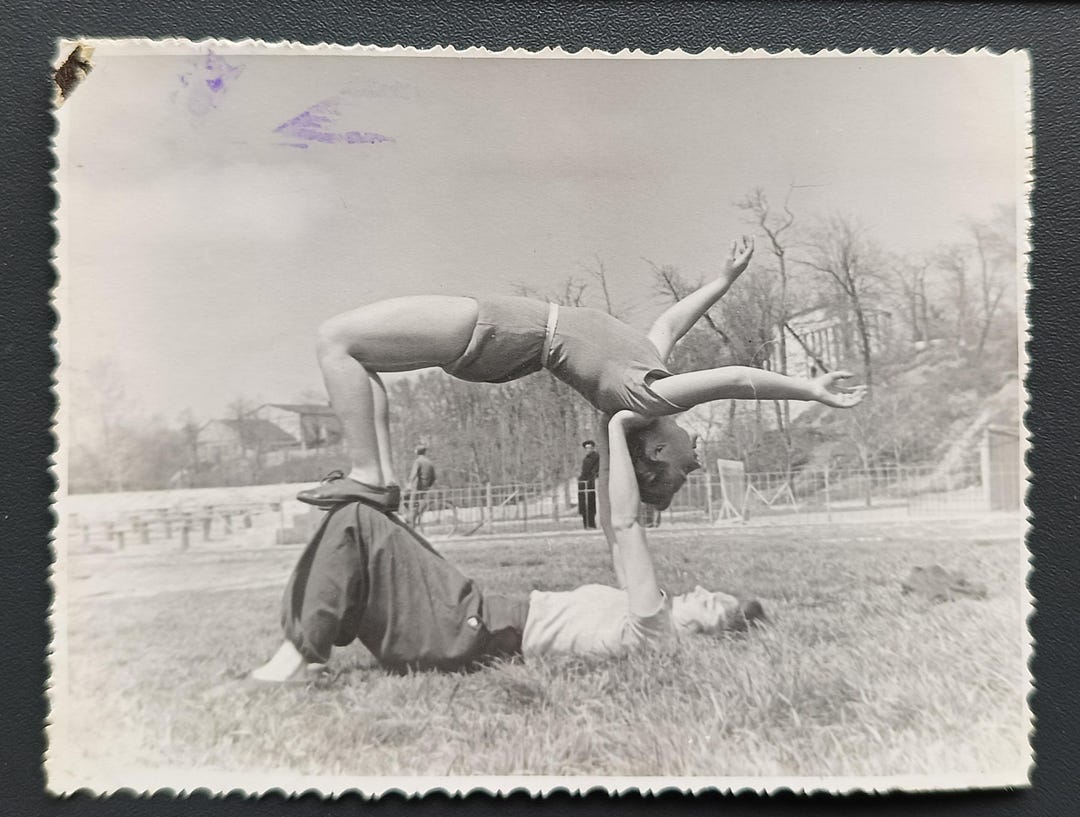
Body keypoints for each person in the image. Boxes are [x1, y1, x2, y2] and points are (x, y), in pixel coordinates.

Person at [295, 236, 867, 513]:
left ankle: (371, 475)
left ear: (659, 453)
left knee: (336, 339)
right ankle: (380, 478)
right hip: (509, 334)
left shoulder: (648, 400)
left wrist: (808, 388)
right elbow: (671, 320)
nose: (697, 453)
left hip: (506, 332)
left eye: (687, 464)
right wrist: (725, 279)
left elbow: (740, 378)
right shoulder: (648, 371)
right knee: (352, 351)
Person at [249, 409, 768, 683]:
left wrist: (616, 426)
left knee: (358, 518)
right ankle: (310, 644)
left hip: (469, 632)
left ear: (702, 636)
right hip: (473, 617)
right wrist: (611, 424)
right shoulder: (645, 618)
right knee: (366, 519)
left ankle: (300, 657)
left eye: (712, 602)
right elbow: (613, 522)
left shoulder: (656, 629)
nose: (700, 589)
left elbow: (630, 526)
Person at [406, 445, 437, 527]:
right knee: (417, 504)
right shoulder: (429, 462)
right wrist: (427, 486)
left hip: (417, 488)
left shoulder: (418, 461)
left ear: (417, 452)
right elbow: (434, 477)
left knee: (411, 505)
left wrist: (409, 483)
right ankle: (414, 519)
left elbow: (414, 474)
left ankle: (411, 524)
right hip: (425, 488)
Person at [577, 439, 600, 529]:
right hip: (585, 484)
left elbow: (594, 471)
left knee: (591, 504)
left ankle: (591, 524)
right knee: (584, 504)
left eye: (590, 448)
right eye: (586, 448)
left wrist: (591, 478)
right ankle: (586, 524)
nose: (588, 450)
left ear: (593, 448)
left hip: (592, 483)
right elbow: (584, 472)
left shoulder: (597, 458)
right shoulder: (586, 459)